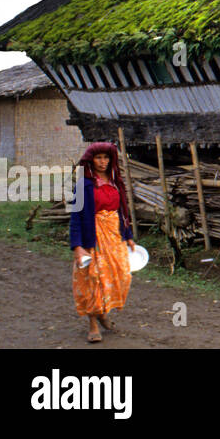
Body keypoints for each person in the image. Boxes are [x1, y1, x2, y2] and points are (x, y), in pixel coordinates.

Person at [70, 142, 135, 343]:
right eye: (98, 158)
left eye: (106, 158)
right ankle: (93, 324)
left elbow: (123, 210)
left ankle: (103, 312)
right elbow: (76, 217)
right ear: (91, 160)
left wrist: (129, 235)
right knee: (93, 279)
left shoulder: (116, 182)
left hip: (114, 236)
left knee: (120, 275)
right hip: (93, 237)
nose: (103, 162)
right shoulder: (84, 185)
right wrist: (78, 246)